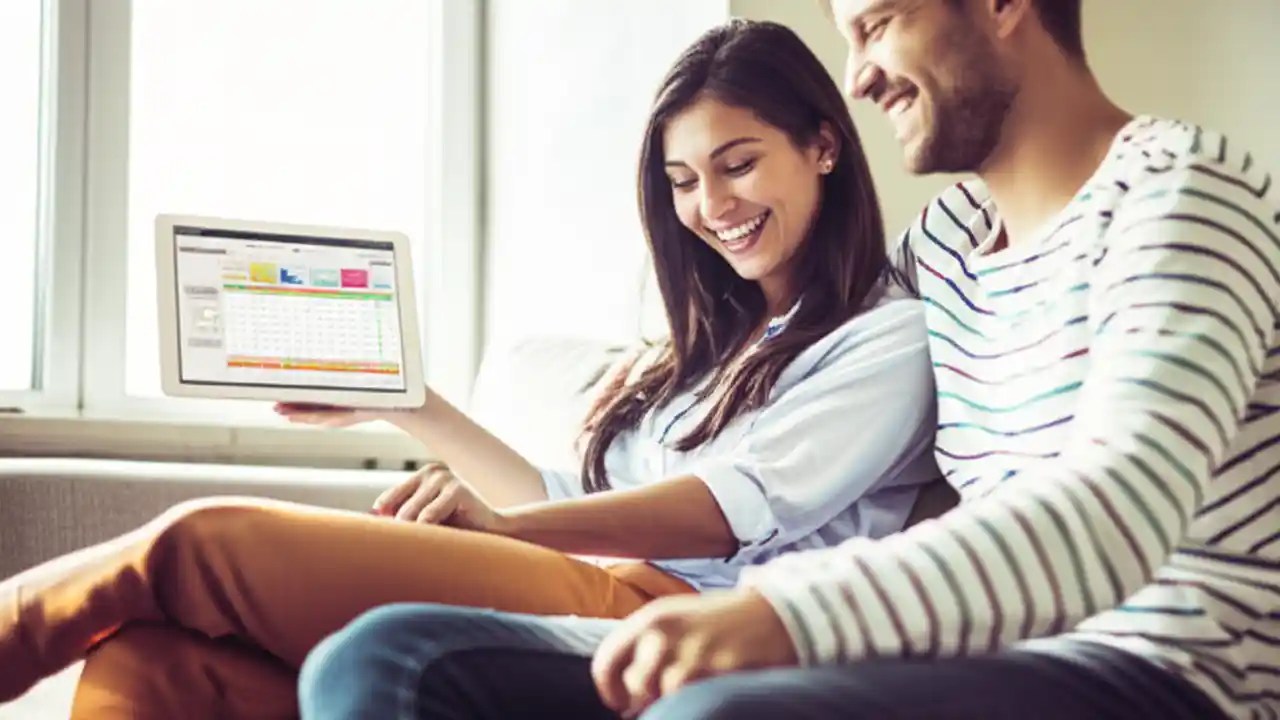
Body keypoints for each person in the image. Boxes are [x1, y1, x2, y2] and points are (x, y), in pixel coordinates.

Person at [297, 2, 1280, 719]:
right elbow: (816, 336)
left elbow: (1108, 519)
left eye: (878, 23)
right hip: (972, 649)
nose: (855, 77)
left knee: (705, 716)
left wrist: (784, 617)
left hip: (1164, 669)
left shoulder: (1181, 197)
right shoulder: (944, 247)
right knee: (386, 660)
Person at [0, 14, 947, 720]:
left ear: (824, 145)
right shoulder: (713, 348)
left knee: (200, 543)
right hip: (603, 576)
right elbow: (571, 492)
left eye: (738, 164)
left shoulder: (886, 338)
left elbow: (719, 511)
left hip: (687, 615)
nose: (710, 205)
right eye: (684, 181)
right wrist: (412, 405)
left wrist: (509, 528)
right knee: (156, 664)